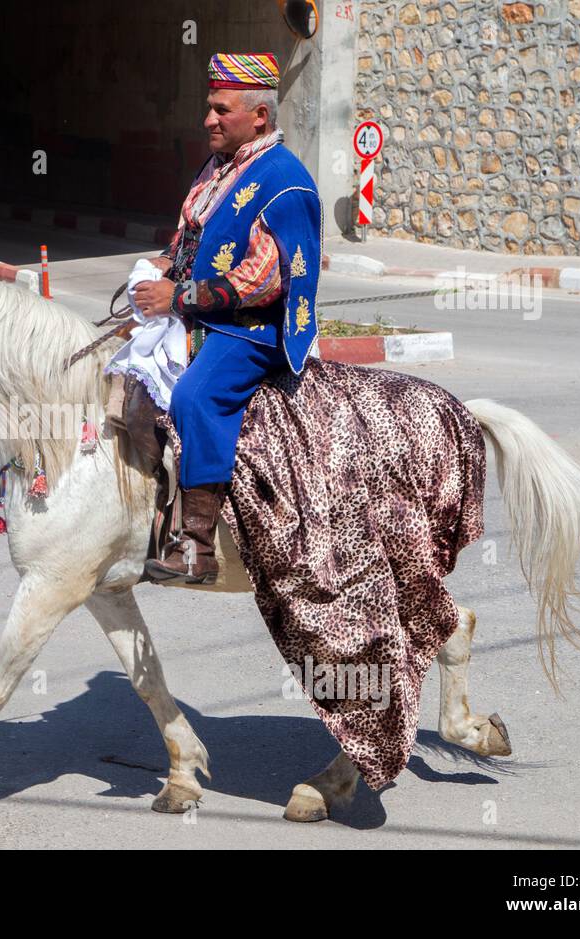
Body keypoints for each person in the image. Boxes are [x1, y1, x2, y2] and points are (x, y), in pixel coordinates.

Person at [135, 52, 323, 585]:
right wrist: (161, 266)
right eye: (209, 108)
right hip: (202, 311)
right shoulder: (218, 165)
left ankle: (197, 547)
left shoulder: (285, 180)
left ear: (259, 116)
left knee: (197, 395)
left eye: (221, 110)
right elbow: (189, 234)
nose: (208, 120)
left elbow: (262, 281)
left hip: (252, 329)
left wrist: (179, 295)